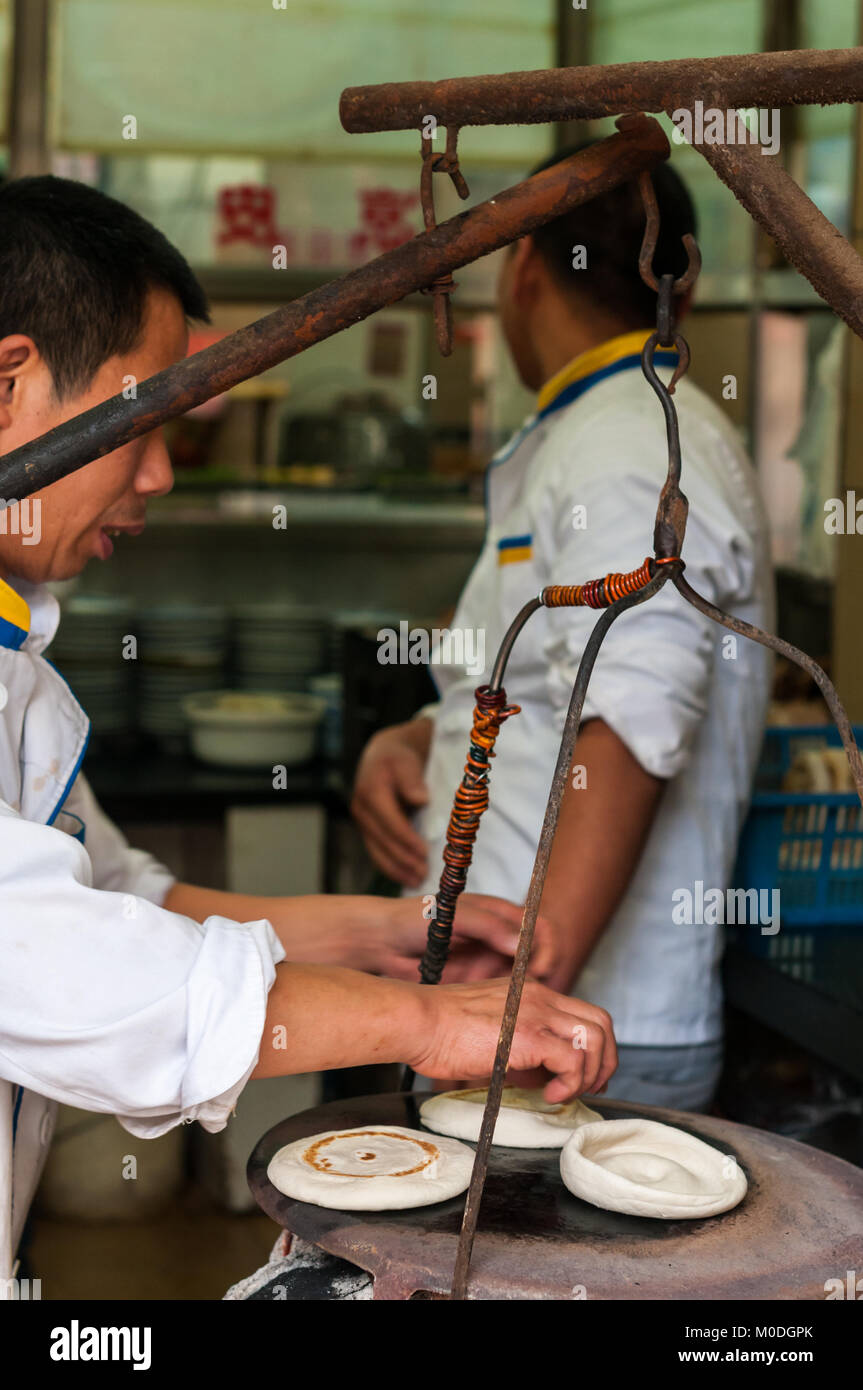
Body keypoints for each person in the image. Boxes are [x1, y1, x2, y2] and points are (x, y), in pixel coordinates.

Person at [0, 176, 618, 1288]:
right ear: (10, 385)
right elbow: (55, 957)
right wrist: (422, 1025)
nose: (158, 474)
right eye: (141, 424)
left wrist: (375, 933)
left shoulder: (16, 662)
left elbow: (111, 899)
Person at [353, 149, 774, 1114]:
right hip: (524, 1012)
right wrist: (420, 738)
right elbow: (542, 678)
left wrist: (511, 1016)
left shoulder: (629, 442)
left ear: (524, 268)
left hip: (572, 1034)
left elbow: (635, 720)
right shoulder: (585, 434)